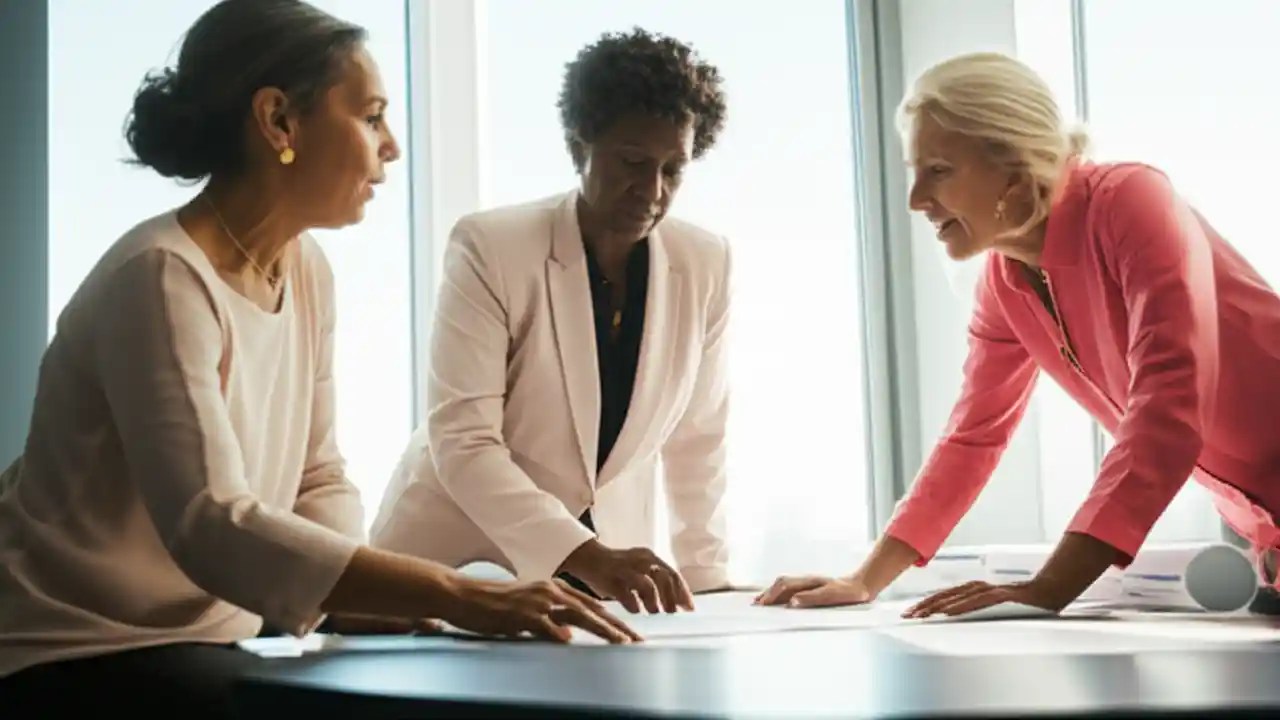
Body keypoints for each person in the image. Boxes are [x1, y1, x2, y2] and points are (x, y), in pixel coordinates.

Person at [0, 0, 636, 713]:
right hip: (81, 649)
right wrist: (456, 593)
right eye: (370, 117)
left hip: (219, 640)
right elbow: (209, 517)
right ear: (278, 121)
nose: (391, 145)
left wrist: (346, 599)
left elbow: (318, 475)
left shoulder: (305, 271)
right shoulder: (159, 275)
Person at [757, 51, 1280, 615]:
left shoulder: (1131, 200)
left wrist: (1046, 589)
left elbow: (1168, 407)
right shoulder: (1004, 282)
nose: (915, 200)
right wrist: (865, 579)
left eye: (937, 171)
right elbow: (972, 437)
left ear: (1011, 159)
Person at [370, 27, 735, 615]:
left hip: (602, 581)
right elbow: (463, 441)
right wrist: (585, 554)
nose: (653, 190)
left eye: (674, 169)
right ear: (579, 144)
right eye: (633, 162)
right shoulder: (491, 245)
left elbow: (700, 435)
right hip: (451, 562)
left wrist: (708, 579)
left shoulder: (705, 261)